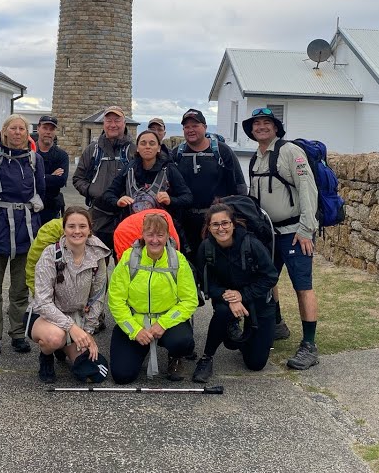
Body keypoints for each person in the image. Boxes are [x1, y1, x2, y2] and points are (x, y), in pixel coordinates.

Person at [244, 107, 320, 370]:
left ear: (276, 128)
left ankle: (309, 345)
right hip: (269, 234)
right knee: (267, 279)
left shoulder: (290, 152)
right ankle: (276, 325)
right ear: (252, 130)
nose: (261, 127)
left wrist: (306, 230)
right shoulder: (256, 158)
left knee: (302, 286)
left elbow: (307, 189)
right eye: (257, 124)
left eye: (267, 123)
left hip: (295, 233)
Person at [190, 203, 279, 383]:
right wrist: (229, 296)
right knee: (223, 313)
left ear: (233, 224)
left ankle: (244, 337)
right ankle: (207, 358)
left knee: (256, 363)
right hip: (227, 300)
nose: (221, 228)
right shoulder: (206, 248)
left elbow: (270, 277)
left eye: (225, 223)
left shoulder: (252, 244)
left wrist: (242, 295)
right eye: (215, 224)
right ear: (208, 226)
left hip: (259, 300)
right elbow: (206, 284)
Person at [0, 114, 46, 355]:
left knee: (20, 287)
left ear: (27, 133)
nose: (17, 132)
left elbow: (41, 191)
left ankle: (18, 332)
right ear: (5, 130)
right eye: (13, 128)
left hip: (26, 229)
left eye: (22, 129)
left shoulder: (35, 160)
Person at [107, 213, 198, 383]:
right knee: (122, 376)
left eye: (160, 235)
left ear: (168, 236)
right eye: (150, 234)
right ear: (142, 235)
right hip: (136, 322)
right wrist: (135, 331)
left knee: (182, 341)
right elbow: (116, 300)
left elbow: (189, 300)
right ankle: (140, 349)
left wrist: (163, 323)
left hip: (167, 321)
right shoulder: (129, 258)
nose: (154, 240)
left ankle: (176, 357)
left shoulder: (177, 260)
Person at [25, 206, 110, 383]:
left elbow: (97, 298)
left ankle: (64, 348)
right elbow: (42, 302)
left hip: (77, 317)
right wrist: (72, 328)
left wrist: (87, 332)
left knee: (89, 373)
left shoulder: (98, 255)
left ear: (89, 228)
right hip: (45, 316)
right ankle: (47, 354)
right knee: (55, 338)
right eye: (71, 226)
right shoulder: (50, 254)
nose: (77, 231)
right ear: (64, 228)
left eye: (82, 226)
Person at [173, 108, 247, 262]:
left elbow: (239, 186)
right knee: (189, 263)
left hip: (216, 221)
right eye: (187, 127)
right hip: (186, 222)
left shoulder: (222, 151)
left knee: (217, 263)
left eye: (195, 125)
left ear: (205, 127)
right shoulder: (177, 154)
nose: (190, 130)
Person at [72, 106, 133, 254]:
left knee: (125, 265)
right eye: (109, 120)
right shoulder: (92, 150)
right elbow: (78, 178)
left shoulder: (134, 150)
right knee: (96, 265)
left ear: (124, 123)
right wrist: (92, 190)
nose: (113, 124)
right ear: (103, 123)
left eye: (117, 120)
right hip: (98, 215)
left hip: (126, 215)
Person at [102, 130, 192, 225]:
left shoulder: (169, 169)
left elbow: (187, 197)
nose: (147, 147)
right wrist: (117, 201)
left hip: (161, 229)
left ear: (158, 148)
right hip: (133, 227)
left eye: (152, 143)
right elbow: (108, 193)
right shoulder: (129, 169)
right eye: (143, 143)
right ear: (137, 148)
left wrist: (171, 200)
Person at [35, 115, 69, 223]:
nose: (48, 132)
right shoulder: (29, 152)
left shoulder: (61, 155)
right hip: (31, 208)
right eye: (45, 128)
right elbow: (25, 179)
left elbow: (60, 181)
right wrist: (50, 176)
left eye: (52, 129)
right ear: (38, 128)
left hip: (52, 209)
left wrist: (38, 176)